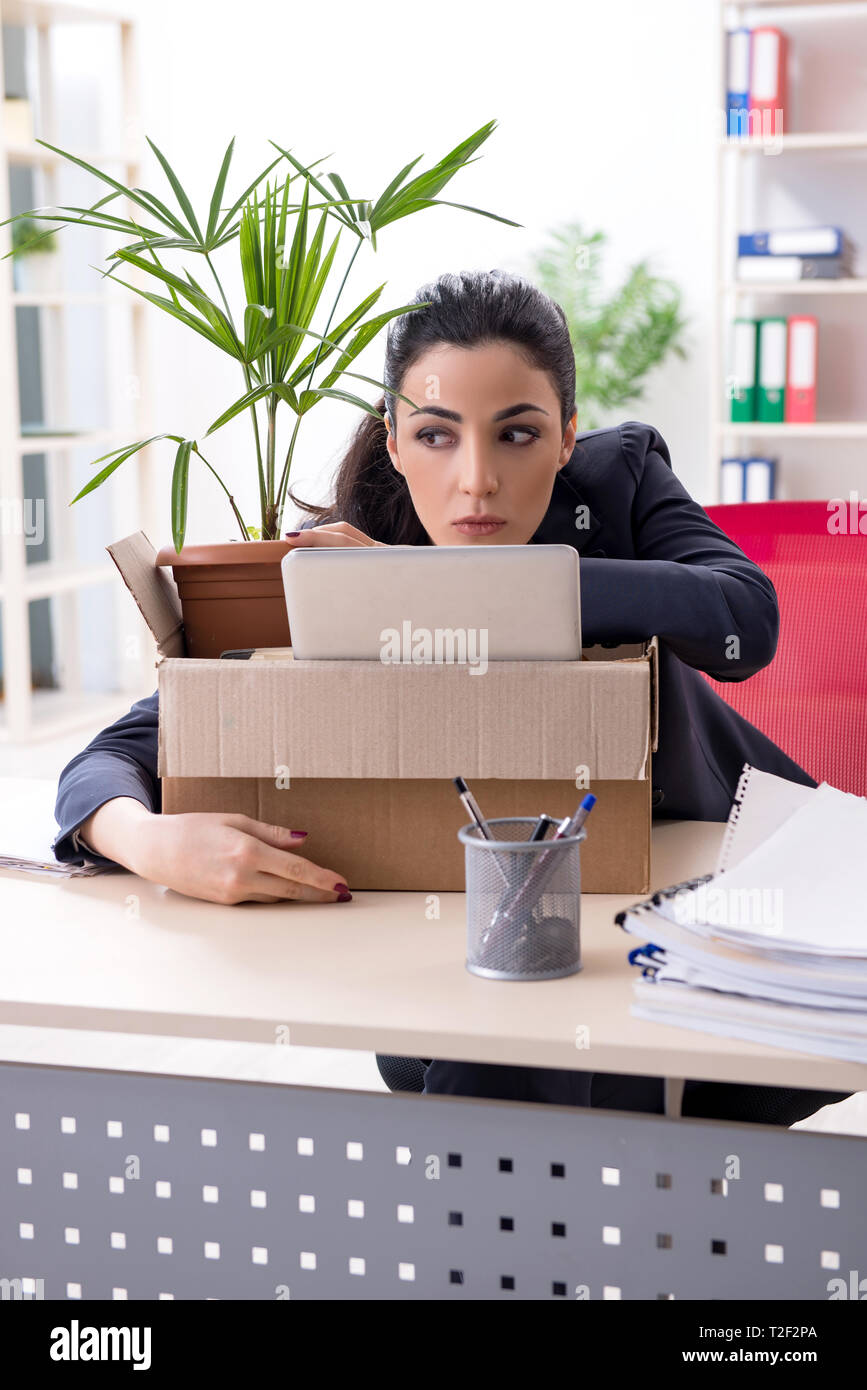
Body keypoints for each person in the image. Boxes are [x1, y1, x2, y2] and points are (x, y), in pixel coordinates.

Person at [53, 268, 849, 1126]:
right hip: (483, 919)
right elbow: (117, 754)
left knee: (546, 1076)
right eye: (437, 435)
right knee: (509, 1047)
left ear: (566, 436)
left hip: (746, 904)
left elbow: (742, 619)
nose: (477, 481)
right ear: (393, 440)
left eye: (516, 434)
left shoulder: (617, 483)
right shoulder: (349, 554)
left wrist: (469, 589)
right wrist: (146, 840)